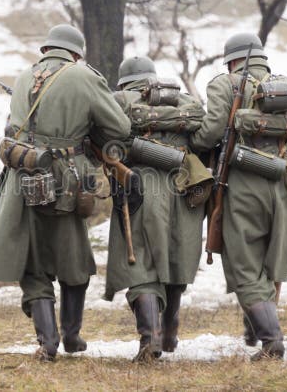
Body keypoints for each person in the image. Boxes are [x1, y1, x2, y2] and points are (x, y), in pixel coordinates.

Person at [0, 24, 131, 361]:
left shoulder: (25, 77)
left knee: (33, 264)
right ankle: (71, 336)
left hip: (22, 175)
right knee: (73, 258)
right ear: (76, 53)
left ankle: (48, 342)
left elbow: (12, 128)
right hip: (68, 179)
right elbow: (120, 127)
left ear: (47, 49)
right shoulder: (84, 76)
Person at [190, 33, 287, 360]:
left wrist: (190, 143)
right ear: (262, 57)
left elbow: (208, 134)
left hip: (245, 184)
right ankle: (265, 330)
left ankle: (271, 339)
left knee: (244, 265)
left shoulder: (224, 85)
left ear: (231, 60)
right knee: (272, 261)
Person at [104, 56, 208, 362]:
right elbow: (205, 138)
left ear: (123, 82)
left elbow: (103, 140)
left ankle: (151, 339)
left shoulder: (119, 100)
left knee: (142, 268)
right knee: (177, 258)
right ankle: (170, 330)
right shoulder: (185, 101)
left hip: (141, 187)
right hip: (187, 186)